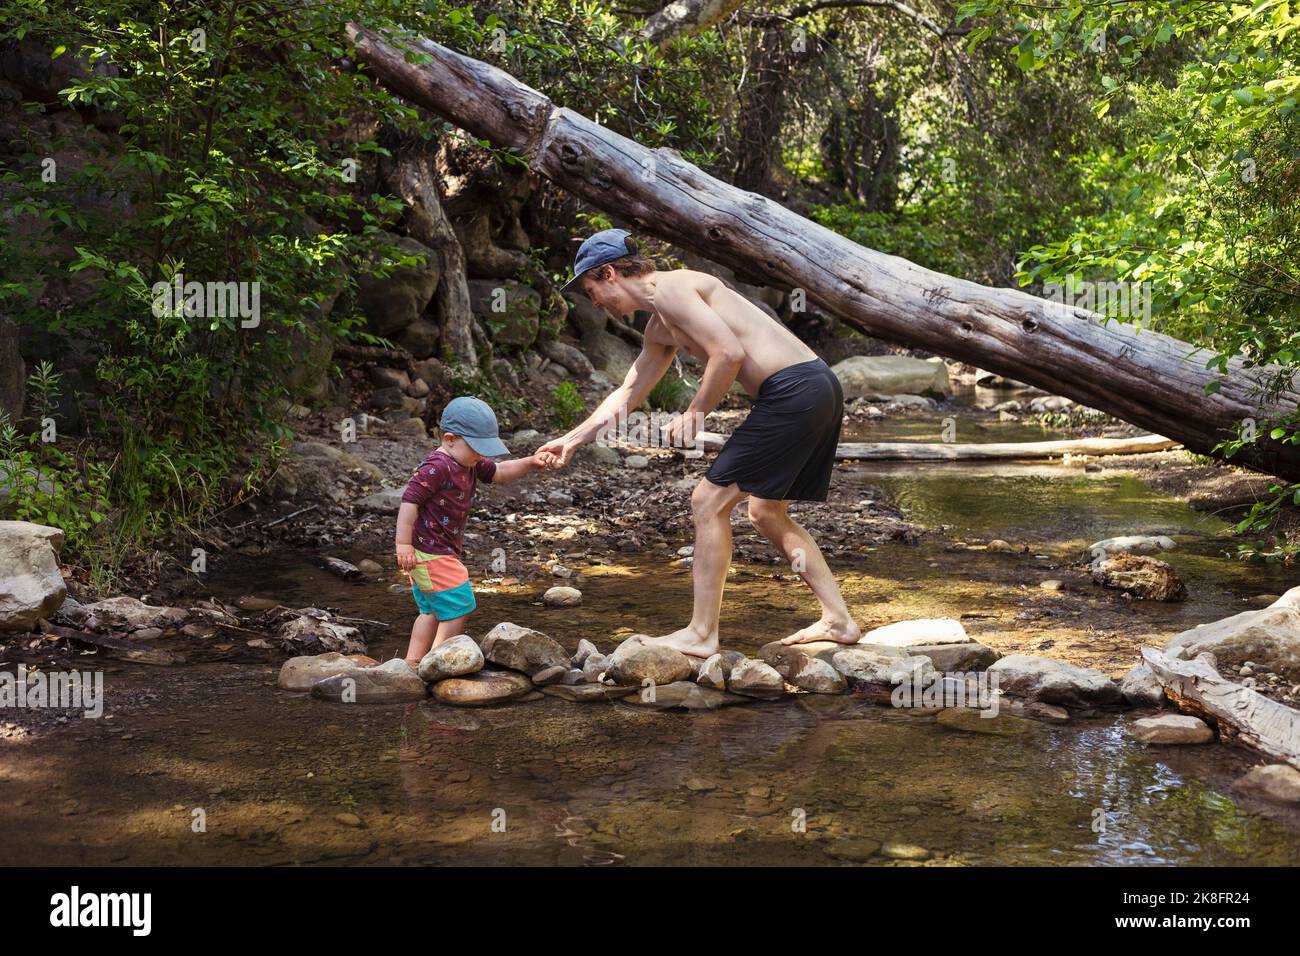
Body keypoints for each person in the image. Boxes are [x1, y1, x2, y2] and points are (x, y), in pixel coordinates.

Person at [539, 228, 860, 658]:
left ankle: (701, 634)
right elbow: (629, 393)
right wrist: (572, 440)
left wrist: (694, 412)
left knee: (707, 502)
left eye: (591, 288)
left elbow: (727, 353)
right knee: (765, 511)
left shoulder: (671, 288)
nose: (594, 301)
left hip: (795, 390)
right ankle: (838, 619)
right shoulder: (660, 325)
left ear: (610, 272)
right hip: (818, 385)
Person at [396, 396, 557, 668]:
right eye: (477, 448)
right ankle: (439, 663)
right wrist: (403, 545)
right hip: (431, 552)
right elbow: (409, 502)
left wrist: (530, 462)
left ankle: (412, 662)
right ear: (449, 439)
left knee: (431, 610)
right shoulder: (437, 467)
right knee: (459, 605)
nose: (481, 455)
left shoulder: (468, 461)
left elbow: (501, 471)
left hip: (433, 553)